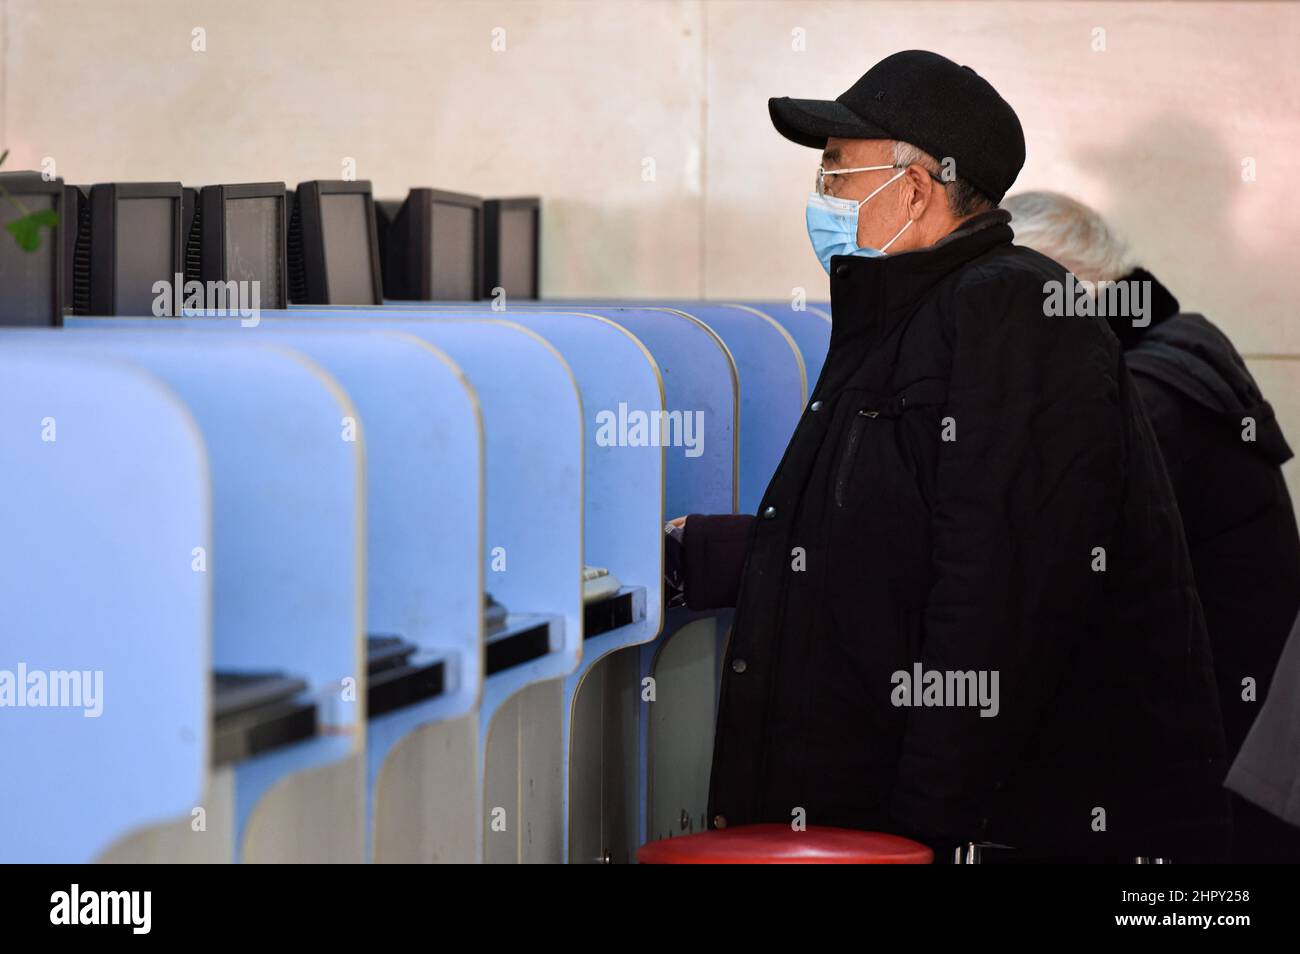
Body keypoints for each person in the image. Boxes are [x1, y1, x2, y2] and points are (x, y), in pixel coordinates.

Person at [672, 50, 1229, 861]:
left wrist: (929, 833)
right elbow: (872, 538)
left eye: (836, 175)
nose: (821, 200)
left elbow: (995, 603)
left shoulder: (1011, 312)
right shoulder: (899, 321)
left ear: (916, 187)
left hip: (994, 832)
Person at [1003, 190, 1300, 861]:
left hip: (1210, 789)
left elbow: (1046, 572)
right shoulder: (1169, 355)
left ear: (1070, 286)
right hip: (1238, 763)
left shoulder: (1146, 400)